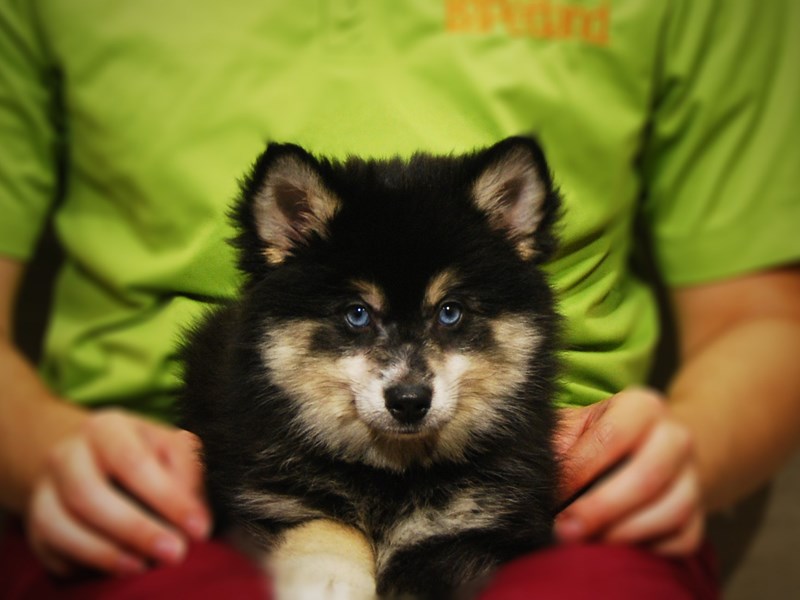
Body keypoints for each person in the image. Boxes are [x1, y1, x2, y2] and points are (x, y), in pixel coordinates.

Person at [1, 1, 798, 598]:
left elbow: (762, 320)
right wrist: (45, 453)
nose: (409, 374)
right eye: (358, 318)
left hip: (572, 476)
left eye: (453, 315)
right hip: (145, 475)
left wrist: (692, 446)